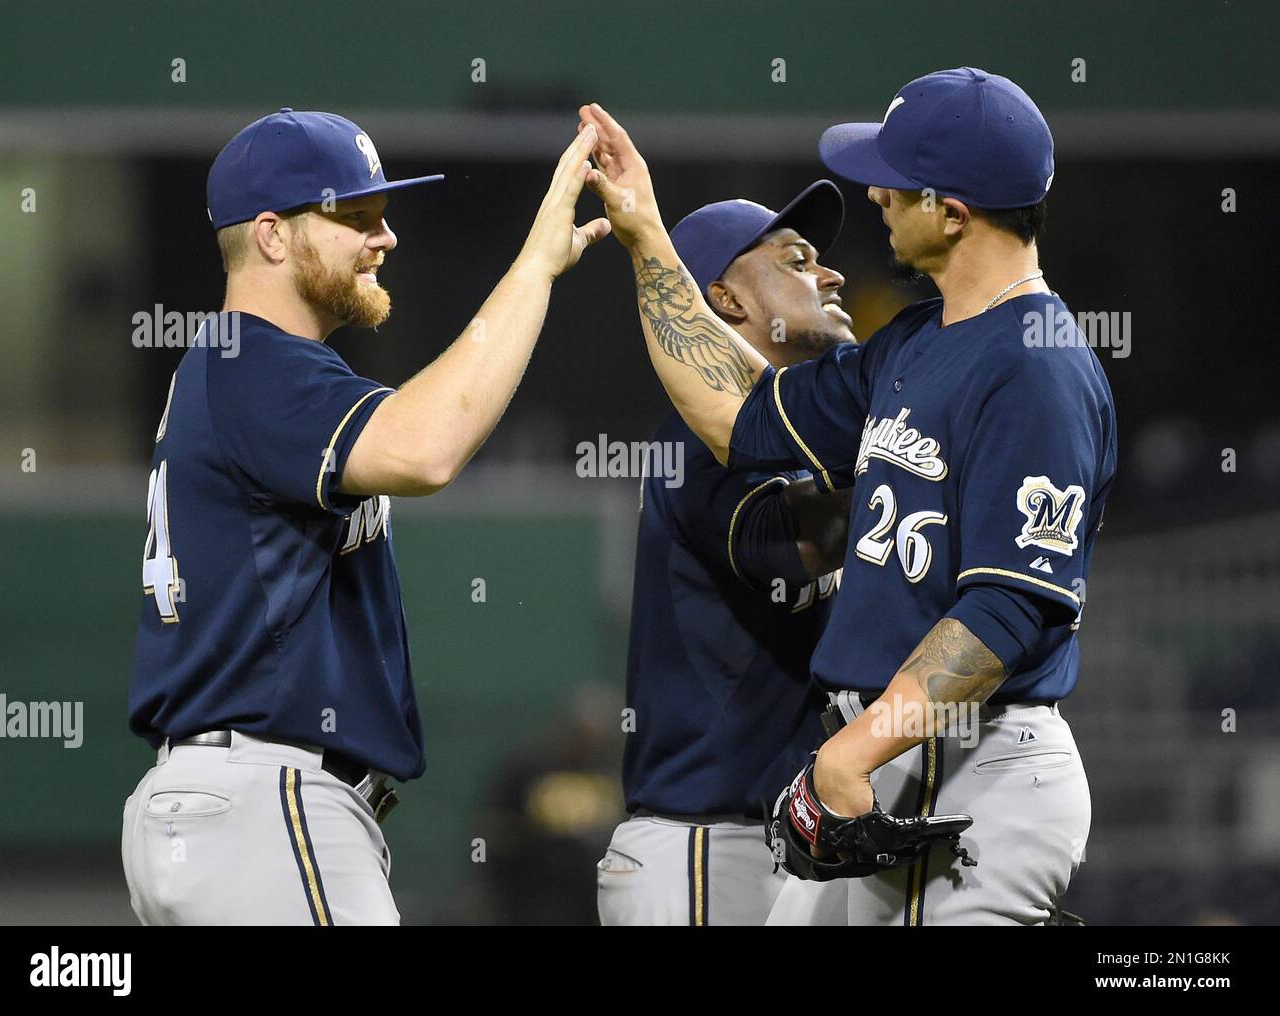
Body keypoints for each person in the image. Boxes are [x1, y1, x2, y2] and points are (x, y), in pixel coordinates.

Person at [578, 66, 1116, 926]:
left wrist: (848, 756)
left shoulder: (1038, 364)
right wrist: (647, 237)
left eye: (898, 181)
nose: (876, 192)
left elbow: (1008, 609)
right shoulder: (909, 344)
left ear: (953, 210)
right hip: (888, 762)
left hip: (983, 765)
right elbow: (746, 416)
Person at [122, 109, 608, 925]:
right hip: (266, 801)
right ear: (272, 235)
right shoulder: (256, 362)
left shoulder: (235, 369)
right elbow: (427, 448)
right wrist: (535, 267)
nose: (384, 238)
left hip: (221, 803)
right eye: (354, 216)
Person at [599, 183, 855, 925]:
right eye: (797, 260)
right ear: (727, 300)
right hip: (708, 849)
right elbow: (801, 543)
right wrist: (922, 464)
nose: (831, 274)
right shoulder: (701, 441)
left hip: (775, 848)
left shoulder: (800, 442)